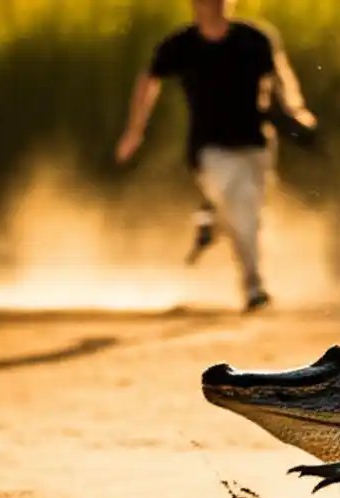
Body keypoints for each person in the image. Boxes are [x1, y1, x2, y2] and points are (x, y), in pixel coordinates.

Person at [115, 0, 316, 312]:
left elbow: (280, 77)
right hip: (209, 149)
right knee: (242, 203)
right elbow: (149, 79)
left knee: (247, 209)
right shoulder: (181, 45)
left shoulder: (255, 38)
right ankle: (254, 286)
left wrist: (296, 111)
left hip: (256, 143)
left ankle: (214, 220)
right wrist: (135, 130)